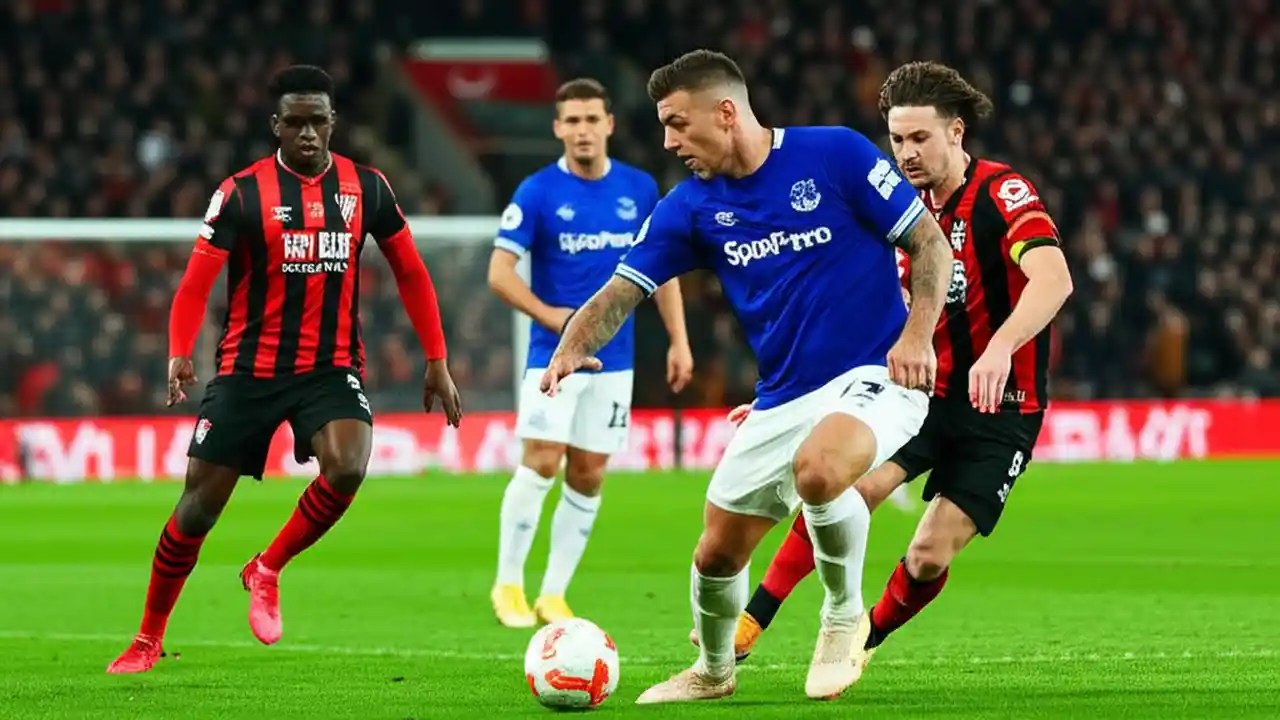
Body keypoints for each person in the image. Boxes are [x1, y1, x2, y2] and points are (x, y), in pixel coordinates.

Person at [539, 49, 952, 703]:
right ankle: (713, 671)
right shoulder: (691, 207)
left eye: (678, 124)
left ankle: (844, 617)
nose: (670, 141)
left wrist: (917, 334)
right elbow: (623, 289)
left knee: (820, 470)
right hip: (782, 396)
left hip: (879, 371)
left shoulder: (837, 157)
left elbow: (931, 242)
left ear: (726, 112)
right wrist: (570, 347)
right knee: (715, 555)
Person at [695, 60, 1074, 675]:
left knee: (926, 555)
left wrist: (1001, 349)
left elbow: (1054, 279)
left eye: (920, 138)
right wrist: (794, 400)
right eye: (897, 139)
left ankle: (861, 639)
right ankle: (753, 618)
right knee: (846, 486)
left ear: (956, 132)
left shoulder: (1004, 193)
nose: (907, 152)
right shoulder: (894, 208)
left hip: (1003, 408)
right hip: (922, 393)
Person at [106, 65, 463, 674]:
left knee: (348, 467)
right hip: (248, 370)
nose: (306, 133)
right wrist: (179, 349)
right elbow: (195, 284)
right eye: (293, 122)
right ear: (276, 125)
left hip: (328, 368)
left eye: (316, 121)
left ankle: (266, 567)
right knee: (197, 511)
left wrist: (437, 359)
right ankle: (147, 638)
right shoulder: (241, 192)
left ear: (332, 124)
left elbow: (410, 270)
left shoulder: (367, 187)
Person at [488, 78, 694, 627]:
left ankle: (552, 593)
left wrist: (678, 338)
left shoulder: (639, 189)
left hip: (616, 357)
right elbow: (499, 273)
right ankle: (508, 584)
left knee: (588, 472)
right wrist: (553, 317)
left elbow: (662, 267)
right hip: (551, 357)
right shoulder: (536, 192)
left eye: (590, 119)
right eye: (571, 121)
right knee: (540, 462)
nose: (582, 130)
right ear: (558, 128)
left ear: (609, 124)